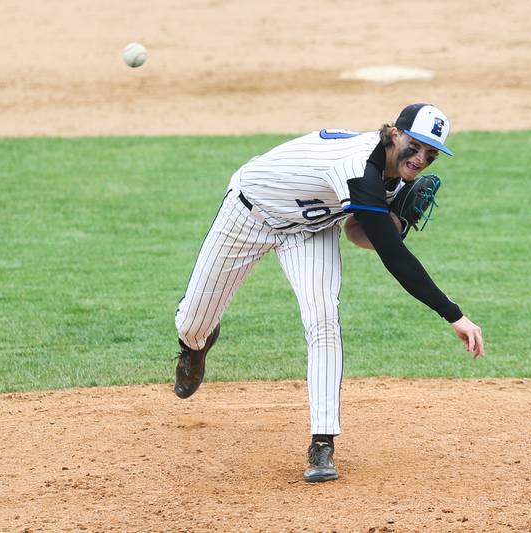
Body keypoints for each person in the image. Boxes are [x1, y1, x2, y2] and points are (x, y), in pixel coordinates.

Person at [174, 103, 485, 483]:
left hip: (311, 230)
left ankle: (322, 442)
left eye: (431, 154)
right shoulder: (358, 168)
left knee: (323, 321)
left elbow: (356, 233)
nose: (421, 159)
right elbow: (394, 257)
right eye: (415, 146)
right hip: (249, 213)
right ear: (394, 133)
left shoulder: (393, 179)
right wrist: (454, 314)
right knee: (192, 325)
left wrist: (395, 223)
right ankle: (197, 344)